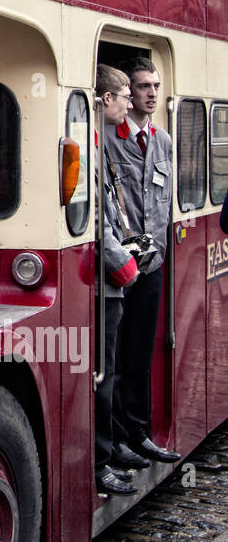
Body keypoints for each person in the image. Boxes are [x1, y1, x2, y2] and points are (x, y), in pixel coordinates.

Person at [108, 57, 180, 469]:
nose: (152, 93)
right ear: (128, 93)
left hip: (151, 266)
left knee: (139, 355)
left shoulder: (163, 140)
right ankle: (117, 439)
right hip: (120, 266)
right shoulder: (110, 138)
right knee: (115, 357)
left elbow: (163, 201)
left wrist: (160, 254)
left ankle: (140, 434)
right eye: (142, 87)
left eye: (155, 85)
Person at [94, 66, 140, 496]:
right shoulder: (91, 147)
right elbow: (95, 220)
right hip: (102, 284)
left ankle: (110, 447)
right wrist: (123, 264)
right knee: (101, 374)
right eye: (124, 95)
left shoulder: (100, 144)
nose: (129, 102)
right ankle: (100, 460)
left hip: (108, 279)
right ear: (105, 99)